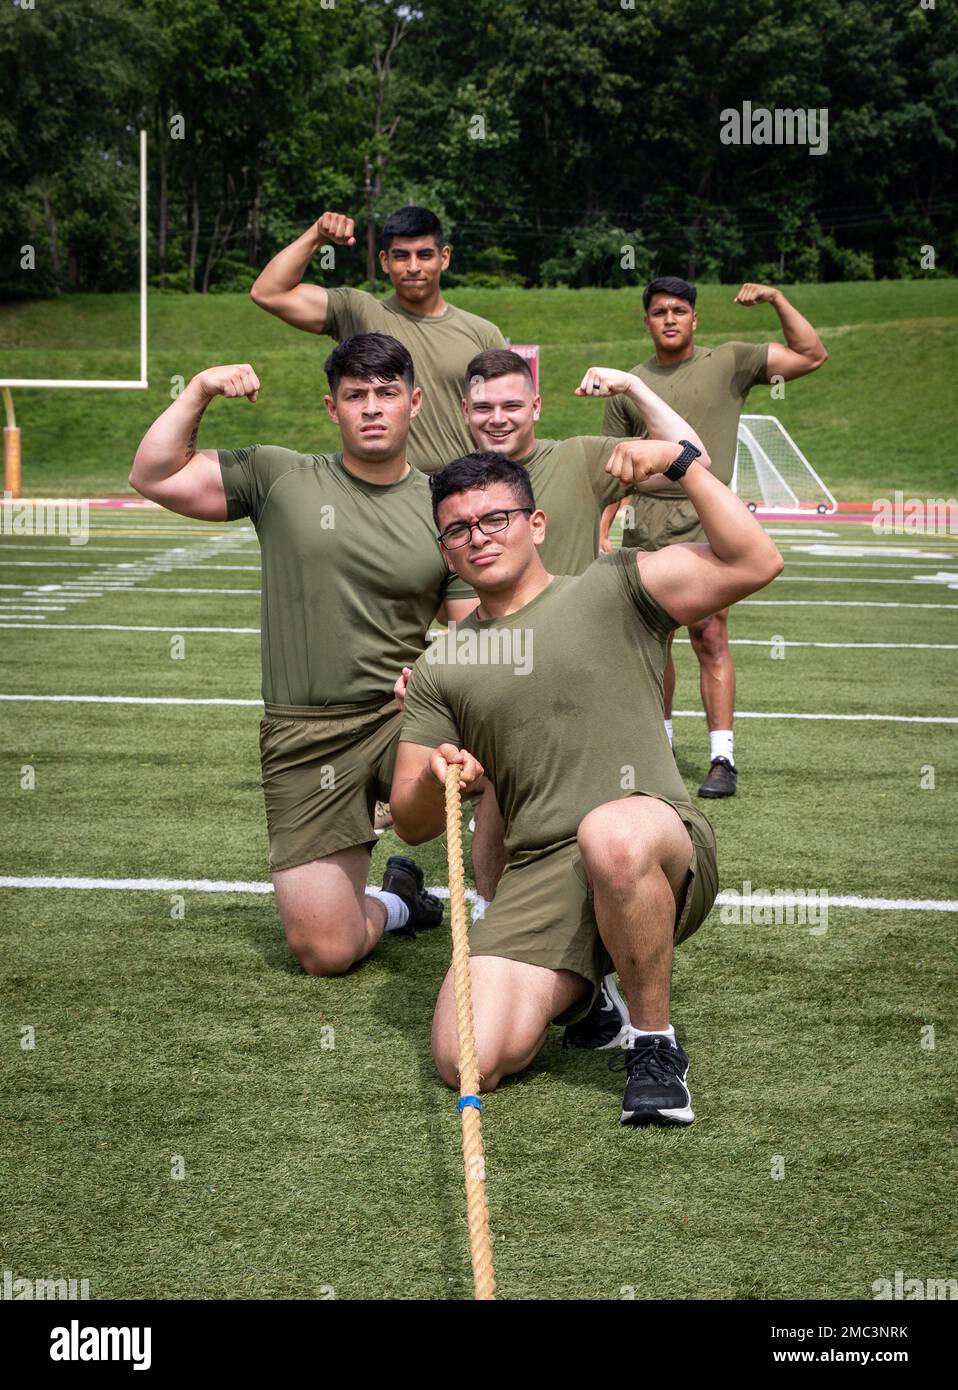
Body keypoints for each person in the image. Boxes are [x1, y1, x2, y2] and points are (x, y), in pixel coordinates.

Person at [389, 440, 783, 1126]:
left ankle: (654, 1046)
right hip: (541, 871)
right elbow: (411, 820)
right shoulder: (441, 666)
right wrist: (436, 773)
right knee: (467, 1059)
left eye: (495, 519)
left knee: (611, 834)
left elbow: (757, 559)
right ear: (444, 549)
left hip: (654, 841)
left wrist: (684, 464)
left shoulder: (615, 584)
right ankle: (582, 994)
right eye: (458, 529)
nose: (478, 538)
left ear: (536, 524)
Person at [128, 333, 478, 976]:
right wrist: (201, 388)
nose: (372, 407)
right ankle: (398, 901)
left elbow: (468, 629)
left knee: (512, 742)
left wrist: (436, 682)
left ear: (416, 402)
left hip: (405, 720)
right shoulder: (278, 476)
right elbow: (153, 474)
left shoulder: (443, 508)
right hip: (306, 733)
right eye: (355, 396)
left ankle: (528, 926)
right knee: (326, 952)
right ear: (331, 407)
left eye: (387, 393)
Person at [444, 347, 710, 905]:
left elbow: (694, 458)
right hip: (495, 676)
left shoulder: (582, 458)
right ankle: (502, 932)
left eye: (512, 404)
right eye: (484, 406)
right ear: (464, 410)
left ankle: (602, 965)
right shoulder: (450, 489)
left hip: (585, 675)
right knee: (497, 813)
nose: (498, 417)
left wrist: (634, 389)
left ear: (536, 407)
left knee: (596, 831)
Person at [598, 276, 827, 798]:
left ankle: (722, 757)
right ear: (647, 320)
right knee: (651, 640)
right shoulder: (629, 382)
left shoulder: (729, 360)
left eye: (680, 310)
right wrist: (602, 531)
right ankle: (661, 747)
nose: (670, 318)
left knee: (710, 634)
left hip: (708, 514)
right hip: (646, 521)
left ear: (695, 318)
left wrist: (776, 299)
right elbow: (612, 467)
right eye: (660, 311)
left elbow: (811, 355)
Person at [250, 206, 505, 474]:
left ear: (445, 257)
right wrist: (317, 235)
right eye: (401, 256)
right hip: (381, 492)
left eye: (425, 255)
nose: (414, 267)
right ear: (384, 261)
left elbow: (508, 421)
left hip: (463, 491)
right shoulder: (359, 312)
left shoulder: (482, 333)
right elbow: (268, 292)